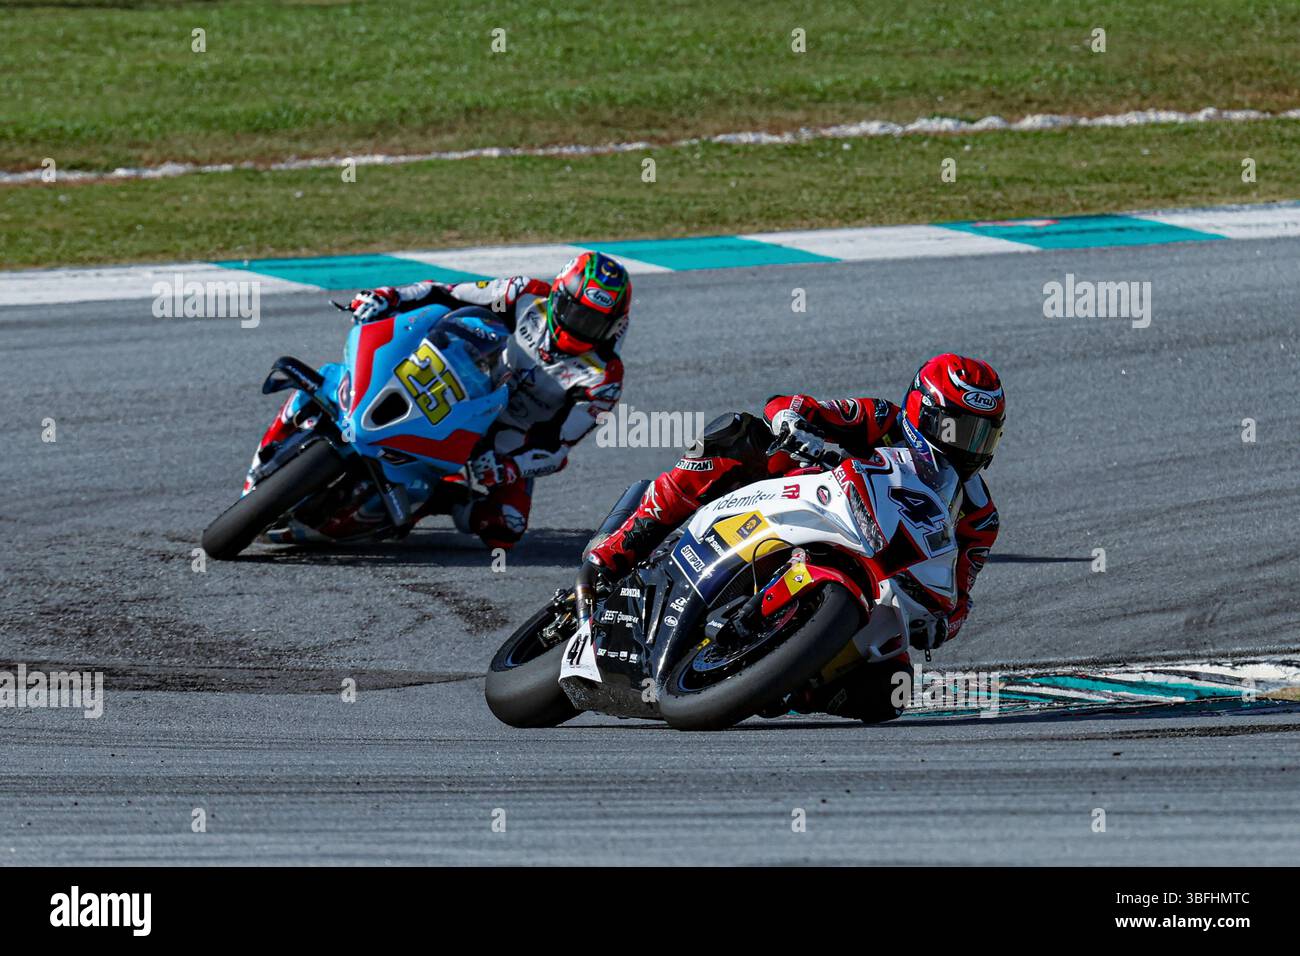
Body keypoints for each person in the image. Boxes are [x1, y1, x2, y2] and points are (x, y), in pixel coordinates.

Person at [586, 353, 1005, 720]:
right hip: (795, 502)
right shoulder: (882, 419)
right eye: (958, 430)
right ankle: (620, 546)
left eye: (982, 435)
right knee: (736, 434)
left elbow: (959, 593)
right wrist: (793, 422)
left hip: (872, 577)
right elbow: (794, 405)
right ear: (923, 411)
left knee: (891, 690)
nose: (968, 447)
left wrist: (942, 626)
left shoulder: (979, 517)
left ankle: (778, 684)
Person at [254, 252, 632, 549]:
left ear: (613, 326)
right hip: (460, 380)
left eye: (592, 322)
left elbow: (558, 449)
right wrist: (389, 296)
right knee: (333, 378)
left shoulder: (603, 378)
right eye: (575, 313)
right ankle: (277, 443)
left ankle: (437, 496)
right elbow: (445, 292)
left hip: (504, 435)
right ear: (558, 296)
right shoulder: (524, 293)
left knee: (506, 529)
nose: (579, 328)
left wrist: (510, 468)